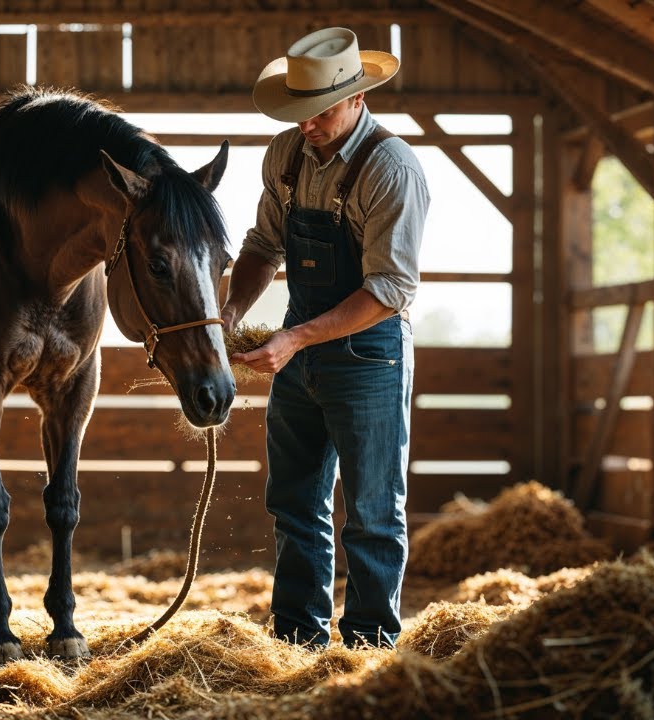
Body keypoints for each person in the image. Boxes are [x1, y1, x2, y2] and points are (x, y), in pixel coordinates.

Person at [219, 27, 429, 648]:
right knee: (294, 502)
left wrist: (295, 340)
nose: (307, 125)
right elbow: (261, 247)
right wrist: (231, 310)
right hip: (303, 351)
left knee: (371, 512)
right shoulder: (284, 154)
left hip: (369, 355)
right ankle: (296, 640)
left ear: (357, 99)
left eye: (321, 112)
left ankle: (367, 643)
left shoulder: (391, 170)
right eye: (300, 112)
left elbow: (390, 289)